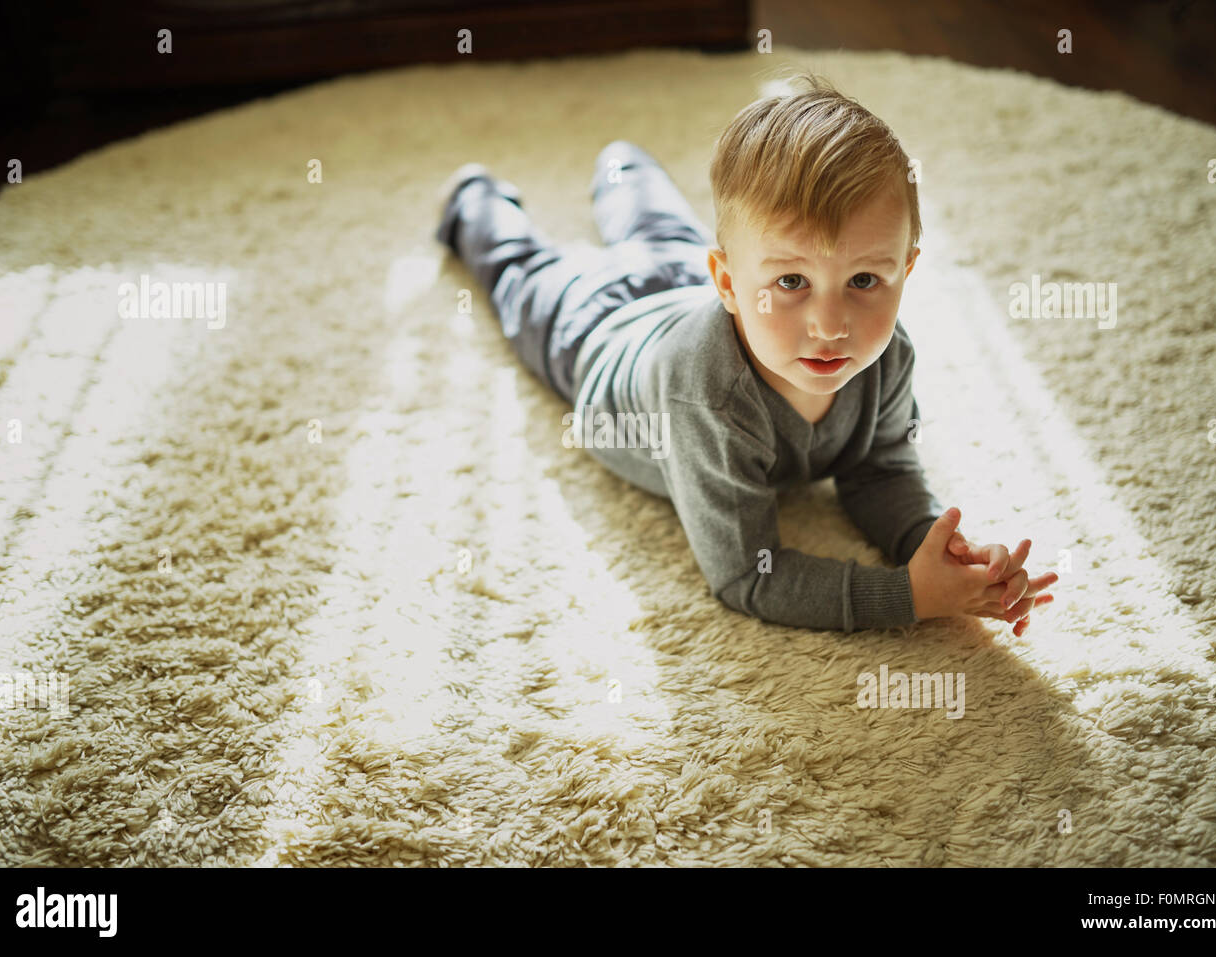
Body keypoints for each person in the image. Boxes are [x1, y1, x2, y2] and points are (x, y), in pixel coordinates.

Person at [433, 71, 1056, 634]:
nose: (831, 325)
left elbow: (879, 469)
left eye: (864, 281)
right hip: (598, 328)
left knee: (663, 234)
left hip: (686, 276)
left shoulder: (887, 354)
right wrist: (904, 597)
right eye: (793, 283)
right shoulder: (705, 393)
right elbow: (745, 577)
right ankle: (474, 200)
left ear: (905, 270)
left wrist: (937, 550)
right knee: (521, 272)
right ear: (727, 283)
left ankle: (625, 168)